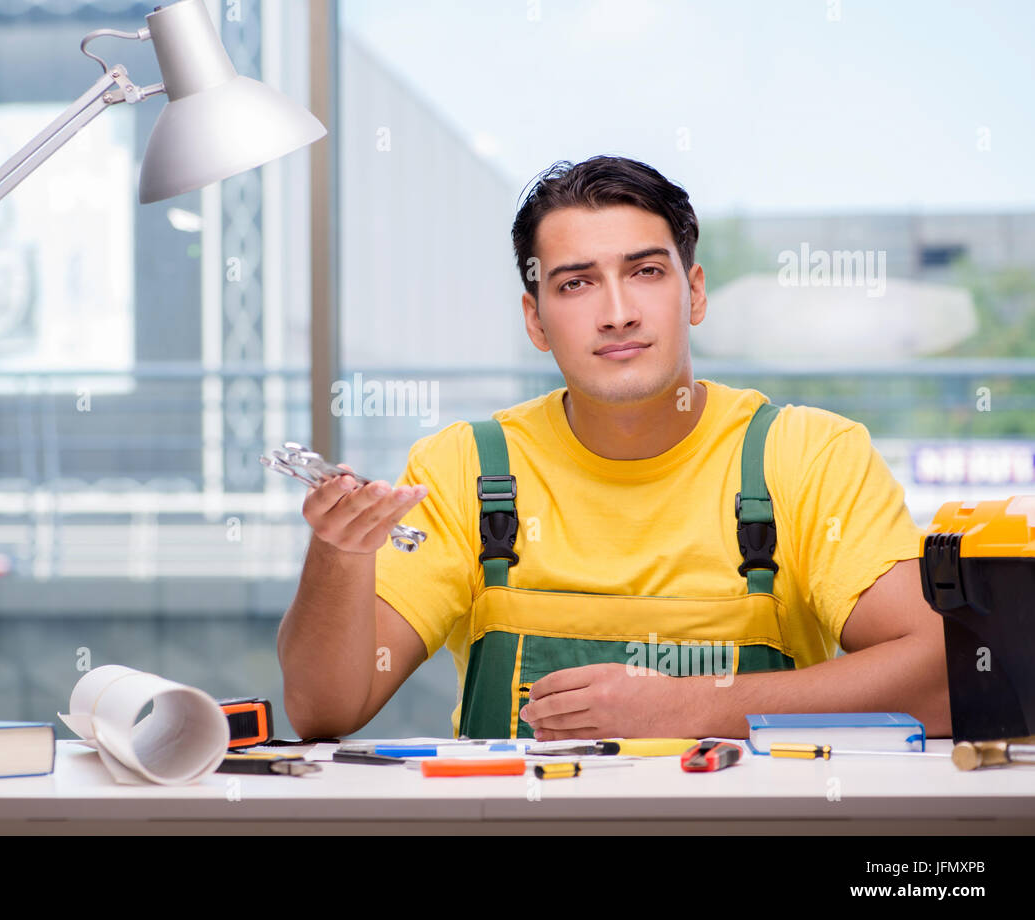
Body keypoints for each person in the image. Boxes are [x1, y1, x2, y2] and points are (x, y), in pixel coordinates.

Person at [277, 155, 950, 741]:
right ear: (535, 320)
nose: (618, 311)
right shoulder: (465, 470)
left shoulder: (806, 457)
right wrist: (338, 555)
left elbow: (941, 676)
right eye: (576, 283)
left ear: (694, 293)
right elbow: (324, 709)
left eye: (647, 271)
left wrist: (690, 706)